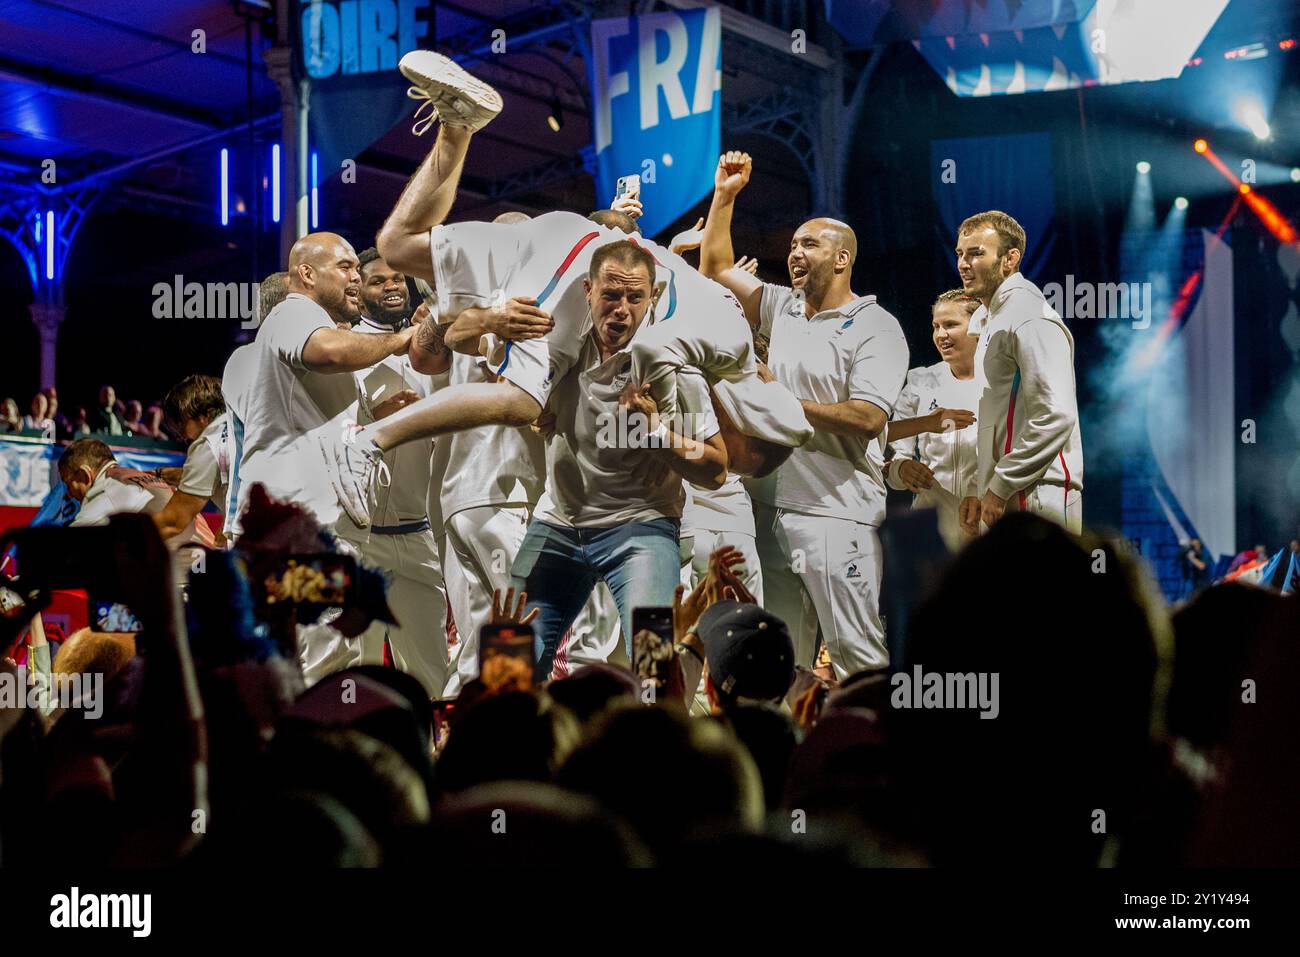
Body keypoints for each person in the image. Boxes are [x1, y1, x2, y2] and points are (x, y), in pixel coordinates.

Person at [314, 51, 812, 531]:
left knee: (396, 245)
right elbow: (649, 347)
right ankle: (370, 441)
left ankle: (458, 123)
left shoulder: (718, 322)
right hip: (580, 267)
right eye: (734, 443)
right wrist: (640, 405)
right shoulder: (723, 357)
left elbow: (462, 339)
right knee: (521, 402)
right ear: (748, 423)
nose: (716, 441)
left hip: (560, 238)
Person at [697, 149, 910, 678]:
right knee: (778, 663)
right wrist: (725, 197)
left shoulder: (875, 326)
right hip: (769, 509)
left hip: (837, 513)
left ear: (842, 259)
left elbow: (867, 418)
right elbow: (716, 269)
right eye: (792, 244)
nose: (795, 253)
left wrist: (782, 401)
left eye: (809, 244)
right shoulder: (781, 306)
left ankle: (884, 752)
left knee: (856, 654)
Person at [341, 247, 452, 696]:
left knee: (431, 673)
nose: (391, 286)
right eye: (378, 281)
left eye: (398, 279)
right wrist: (371, 416)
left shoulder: (437, 349)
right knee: (358, 673)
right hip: (359, 540)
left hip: (418, 533)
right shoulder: (341, 347)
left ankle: (431, 759)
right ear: (359, 291)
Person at [952, 210, 1083, 535]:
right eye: (960, 254)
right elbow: (990, 416)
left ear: (1010, 258)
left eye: (976, 254)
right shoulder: (992, 317)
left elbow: (1056, 415)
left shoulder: (1028, 316)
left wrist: (1000, 485)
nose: (964, 264)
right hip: (1008, 491)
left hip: (1036, 491)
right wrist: (977, 486)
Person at [884, 289, 981, 550]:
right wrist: (901, 469)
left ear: (980, 327)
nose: (941, 335)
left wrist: (981, 491)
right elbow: (892, 450)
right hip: (932, 521)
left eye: (951, 325)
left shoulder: (1002, 383)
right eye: (936, 326)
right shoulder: (921, 382)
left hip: (985, 516)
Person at [153, 374, 230, 544]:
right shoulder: (239, 425)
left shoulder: (208, 443)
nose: (180, 435)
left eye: (180, 423)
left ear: (203, 416)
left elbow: (172, 522)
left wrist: (119, 533)